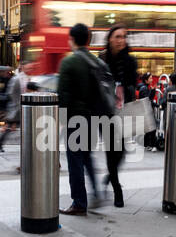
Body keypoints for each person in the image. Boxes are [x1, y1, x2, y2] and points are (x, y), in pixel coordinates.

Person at [57, 22, 111, 215]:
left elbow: (62, 96)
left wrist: (60, 121)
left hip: (75, 119)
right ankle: (96, 192)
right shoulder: (96, 61)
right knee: (87, 156)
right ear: (88, 40)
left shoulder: (69, 62)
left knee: (75, 160)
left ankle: (79, 202)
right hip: (93, 118)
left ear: (72, 39)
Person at [100, 23, 138, 207]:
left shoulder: (130, 61)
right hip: (106, 113)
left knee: (121, 153)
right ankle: (117, 189)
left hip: (124, 111)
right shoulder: (102, 60)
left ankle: (109, 176)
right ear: (109, 39)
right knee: (110, 152)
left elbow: (133, 85)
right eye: (117, 36)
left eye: (124, 36)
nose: (121, 40)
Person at [0, 60, 30, 154]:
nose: (30, 69)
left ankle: (26, 146)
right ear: (23, 67)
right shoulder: (17, 78)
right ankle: (0, 142)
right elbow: (10, 92)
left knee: (19, 127)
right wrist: (17, 103)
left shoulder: (27, 78)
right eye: (28, 67)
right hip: (16, 108)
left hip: (23, 108)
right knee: (10, 127)